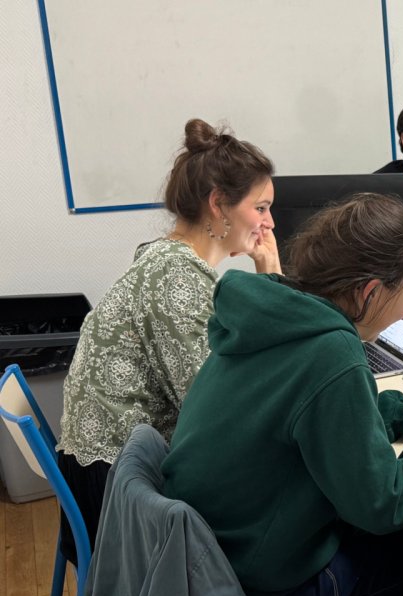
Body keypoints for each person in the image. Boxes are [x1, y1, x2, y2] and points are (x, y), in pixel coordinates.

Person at [161, 192, 403, 596]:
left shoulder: (271, 314)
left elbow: (303, 417)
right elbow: (386, 501)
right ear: (369, 292)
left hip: (215, 576)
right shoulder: (330, 352)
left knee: (398, 541)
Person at [57, 118, 277, 564]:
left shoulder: (166, 256)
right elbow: (211, 413)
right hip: (118, 495)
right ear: (219, 204)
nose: (269, 223)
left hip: (109, 474)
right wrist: (272, 278)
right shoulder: (175, 276)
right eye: (262, 208)